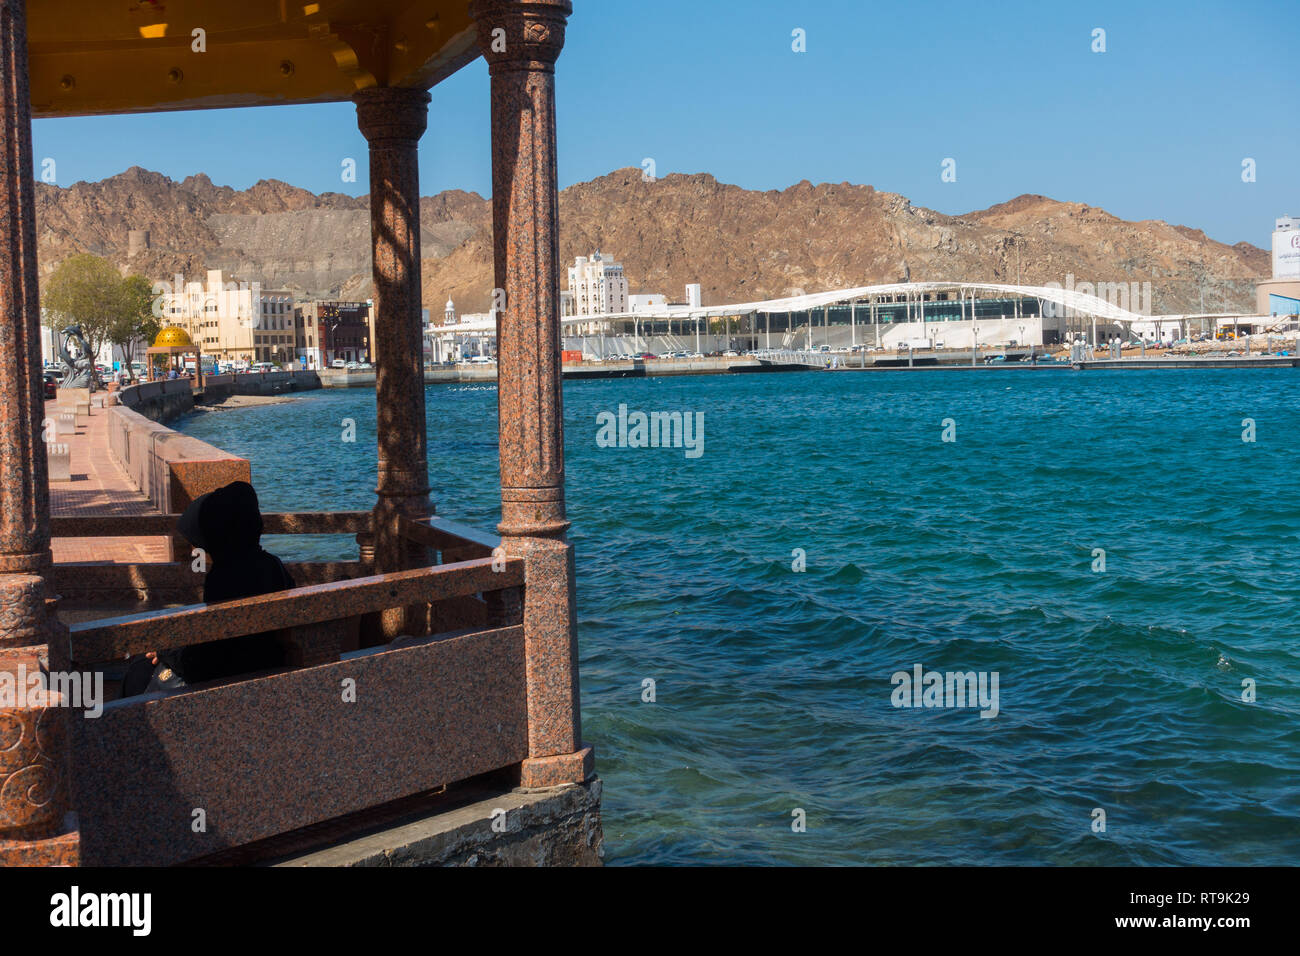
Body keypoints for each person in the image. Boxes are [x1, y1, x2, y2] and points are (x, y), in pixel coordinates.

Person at [122, 481, 294, 695]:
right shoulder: (273, 565)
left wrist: (166, 651)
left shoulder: (225, 577)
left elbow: (210, 659)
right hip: (267, 666)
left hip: (231, 682)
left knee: (139, 669)